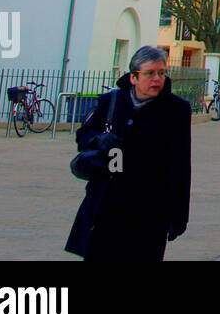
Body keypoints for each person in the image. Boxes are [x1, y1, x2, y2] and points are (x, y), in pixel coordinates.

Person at [65, 45, 191, 261]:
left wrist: (179, 216)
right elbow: (83, 136)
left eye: (161, 73)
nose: (157, 79)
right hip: (107, 203)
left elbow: (180, 165)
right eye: (150, 73)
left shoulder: (176, 110)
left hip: (150, 209)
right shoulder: (111, 102)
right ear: (134, 77)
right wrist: (99, 139)